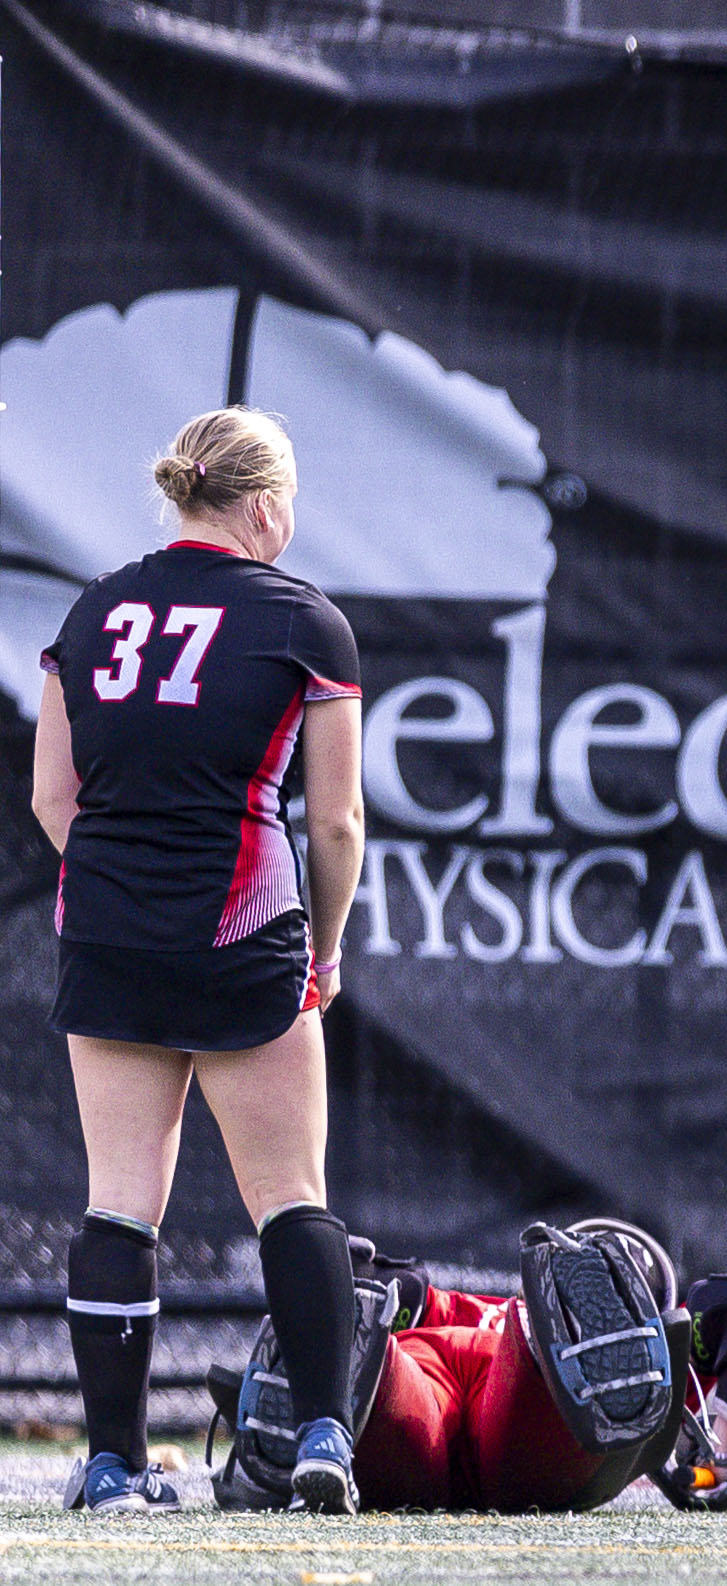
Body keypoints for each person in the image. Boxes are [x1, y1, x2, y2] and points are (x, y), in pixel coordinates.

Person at [34, 408, 368, 1514]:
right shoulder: (305, 620)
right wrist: (322, 947)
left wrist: (130, 885)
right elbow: (336, 825)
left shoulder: (90, 610)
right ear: (266, 505)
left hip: (109, 936)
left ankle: (115, 1466)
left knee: (119, 1209)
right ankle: (324, 1435)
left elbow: (53, 799)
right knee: (292, 1199)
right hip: (243, 939)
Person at [212, 1223, 727, 1514]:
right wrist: (355, 1281)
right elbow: (401, 1289)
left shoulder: (681, 1382)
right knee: (370, 1341)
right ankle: (319, 1380)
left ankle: (588, 1354)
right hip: (454, 1392)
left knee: (554, 1378)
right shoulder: (490, 1307)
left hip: (534, 1423)